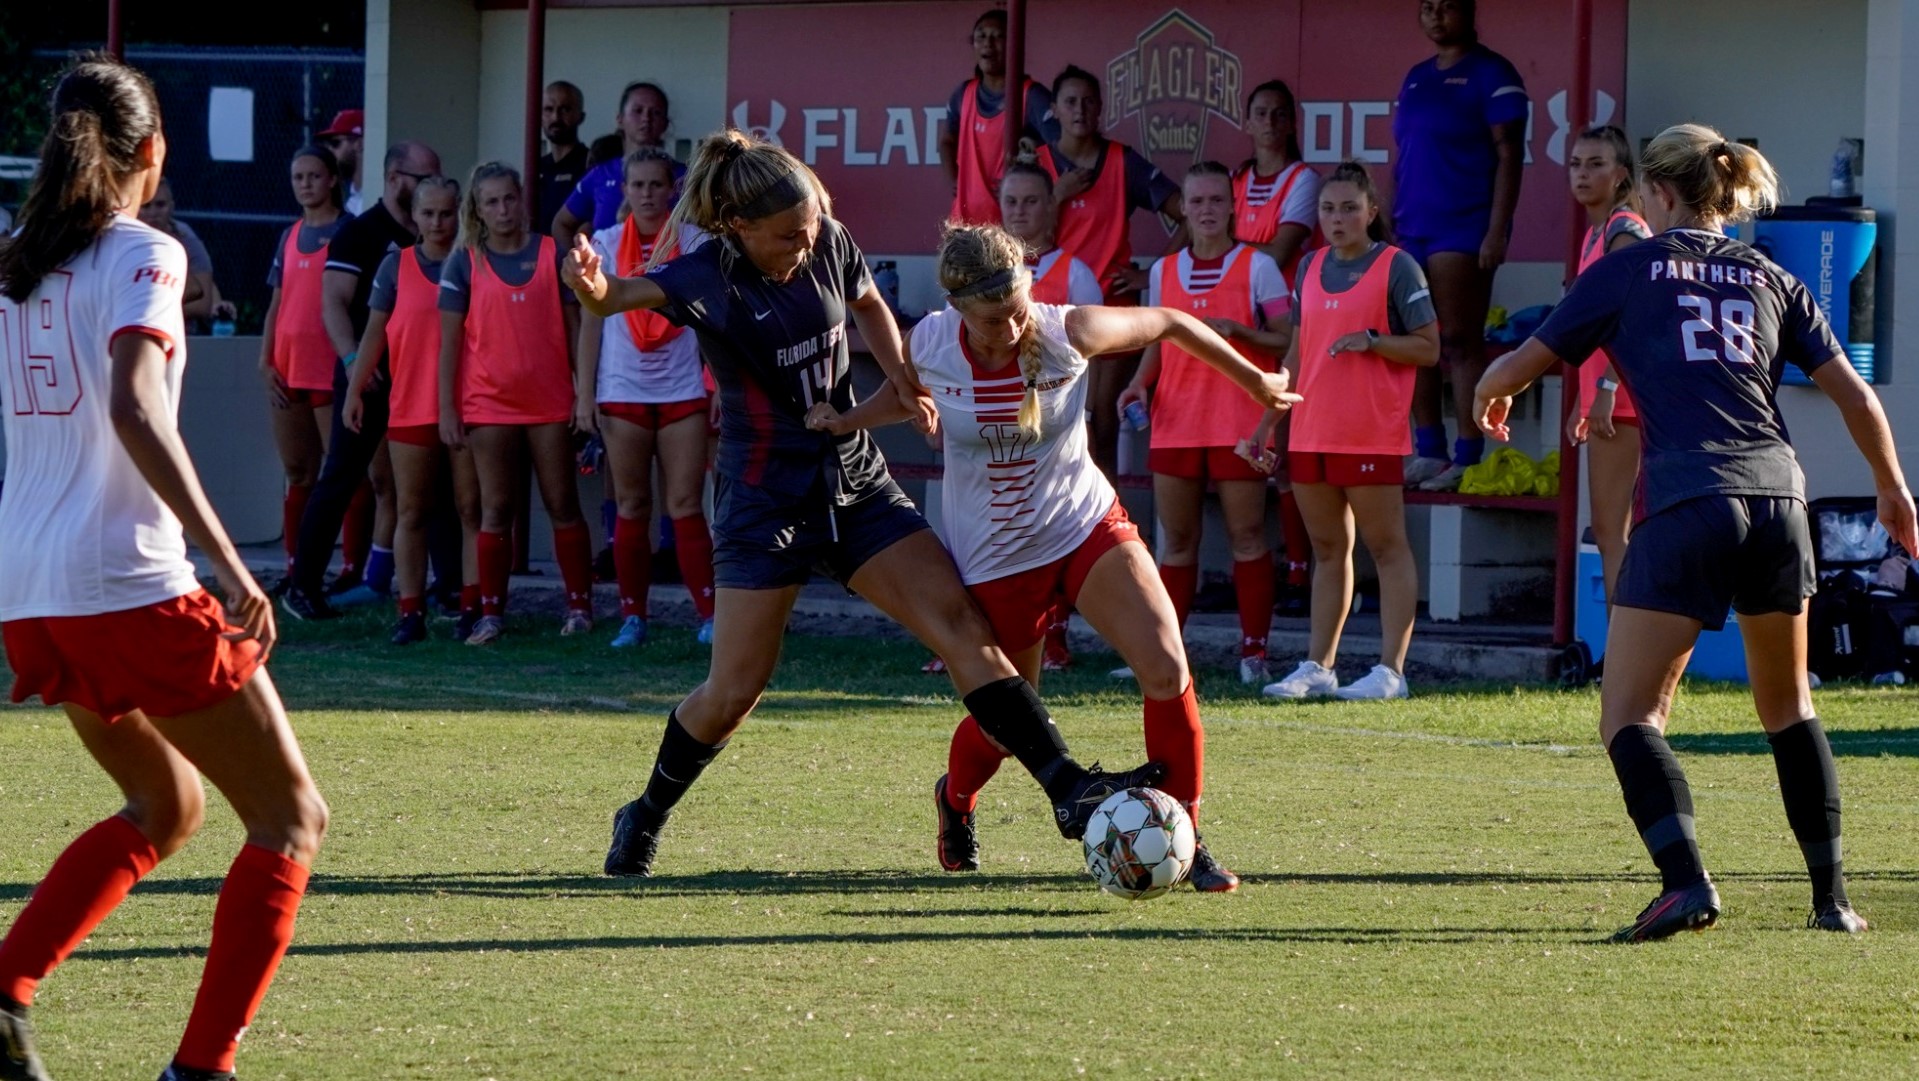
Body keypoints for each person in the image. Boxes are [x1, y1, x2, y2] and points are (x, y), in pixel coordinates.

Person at [562, 129, 1166, 877]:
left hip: (853, 481)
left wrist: (904, 380)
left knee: (961, 627)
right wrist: (592, 286)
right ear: (739, 229)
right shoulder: (706, 275)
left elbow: (870, 302)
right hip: (763, 505)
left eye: (812, 228)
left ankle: (1068, 789)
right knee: (733, 691)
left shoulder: (824, 240)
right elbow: (619, 295)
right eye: (788, 236)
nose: (805, 244)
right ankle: (645, 810)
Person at [1473, 123, 1917, 941]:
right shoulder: (1769, 274)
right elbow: (1855, 395)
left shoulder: (1627, 268)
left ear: (1660, 194)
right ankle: (1832, 900)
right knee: (1789, 706)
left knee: (1630, 716)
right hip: (1780, 499)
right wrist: (1892, 489)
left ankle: (1685, 883)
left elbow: (1518, 364)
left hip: (1688, 498)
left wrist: (1489, 394)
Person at [0, 55, 327, 1081]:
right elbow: (135, 405)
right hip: (129, 586)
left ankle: (1, 990)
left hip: (34, 594)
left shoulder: (17, 262)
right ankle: (200, 1071)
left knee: (169, 806)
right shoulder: (148, 250)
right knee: (288, 817)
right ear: (155, 153)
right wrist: (230, 563)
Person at [807, 221, 1294, 889]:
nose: (1007, 329)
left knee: (1165, 661)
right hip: (995, 555)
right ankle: (954, 797)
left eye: (1014, 311)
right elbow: (904, 394)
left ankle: (1185, 835)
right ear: (956, 308)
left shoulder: (1069, 329)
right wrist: (848, 420)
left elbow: (1173, 321)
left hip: (1083, 525)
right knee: (1010, 726)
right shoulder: (928, 343)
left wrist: (1254, 381)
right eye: (989, 320)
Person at [1245, 161, 1440, 701]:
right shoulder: (1308, 266)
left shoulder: (1399, 267)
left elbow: (1430, 347)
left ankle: (1390, 672)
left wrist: (1373, 340)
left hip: (1370, 433)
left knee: (1387, 548)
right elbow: (1296, 355)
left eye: (1350, 208)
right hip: (1310, 431)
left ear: (1371, 212)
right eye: (1328, 209)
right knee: (1328, 550)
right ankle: (1319, 665)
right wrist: (1267, 424)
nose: (1338, 218)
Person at [1119, 163, 1290, 686]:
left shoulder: (1258, 266)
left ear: (1233, 205)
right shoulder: (1163, 272)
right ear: (1185, 208)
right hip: (1176, 419)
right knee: (1176, 540)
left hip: (1238, 418)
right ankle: (1165, 656)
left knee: (1246, 535)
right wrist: (1139, 384)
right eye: (1197, 201)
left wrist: (1240, 332)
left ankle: (1253, 654)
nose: (1208, 210)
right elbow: (1157, 340)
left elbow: (1286, 339)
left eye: (1217, 200)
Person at [280, 140, 444, 622]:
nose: (431, 190)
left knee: (434, 485)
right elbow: (332, 301)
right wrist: (354, 362)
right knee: (341, 477)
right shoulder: (362, 233)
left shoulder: (437, 230)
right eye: (421, 180)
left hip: (422, 377)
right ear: (395, 180)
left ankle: (445, 587)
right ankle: (304, 585)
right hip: (370, 377)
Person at [438, 162, 592, 644]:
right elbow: (449, 345)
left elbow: (577, 330)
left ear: (522, 199)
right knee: (495, 509)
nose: (503, 209)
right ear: (477, 210)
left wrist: (582, 393)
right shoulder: (464, 261)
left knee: (562, 502)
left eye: (510, 198)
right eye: (492, 202)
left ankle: (579, 608)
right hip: (488, 405)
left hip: (549, 402)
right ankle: (490, 613)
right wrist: (448, 409)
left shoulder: (552, 252)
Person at [575, 149, 719, 650]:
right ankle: (633, 616)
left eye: (657, 185)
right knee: (633, 504)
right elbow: (591, 321)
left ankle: (709, 615)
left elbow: (714, 318)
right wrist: (584, 393)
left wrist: (715, 381)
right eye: (637, 185)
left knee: (684, 503)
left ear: (672, 189)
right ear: (626, 190)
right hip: (623, 390)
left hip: (682, 390)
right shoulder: (607, 243)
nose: (647, 194)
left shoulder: (695, 243)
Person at [1393, 0, 1526, 491]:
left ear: (1470, 12)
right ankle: (1429, 450)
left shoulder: (1492, 72)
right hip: (1412, 226)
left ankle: (1469, 455)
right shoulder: (1415, 77)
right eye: (1427, 7)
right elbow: (1405, 154)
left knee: (1458, 340)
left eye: (1447, 7)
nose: (1436, 15)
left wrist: (1496, 230)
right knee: (1416, 341)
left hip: (1463, 228)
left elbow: (1510, 155)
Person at [343, 175, 482, 645]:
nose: (439, 223)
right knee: (412, 511)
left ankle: (471, 605)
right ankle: (410, 611)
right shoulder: (395, 266)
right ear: (414, 217)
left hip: (468, 405)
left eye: (447, 213)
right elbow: (373, 334)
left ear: (460, 212)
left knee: (470, 508)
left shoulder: (473, 263)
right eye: (429, 213)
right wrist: (355, 389)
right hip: (409, 406)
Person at [1039, 65, 1183, 481]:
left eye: (1088, 101)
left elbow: (1187, 214)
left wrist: (1152, 275)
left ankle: (1104, 521)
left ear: (1101, 108)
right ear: (1054, 110)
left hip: (1113, 309)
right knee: (1053, 420)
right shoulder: (1039, 162)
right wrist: (1057, 196)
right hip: (1054, 312)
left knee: (1101, 420)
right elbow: (1021, 232)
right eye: (1070, 102)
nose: (1080, 110)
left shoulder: (1123, 161)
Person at [1234, 79, 1321, 611]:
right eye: (1259, 113)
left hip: (1286, 325)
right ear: (1246, 122)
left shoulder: (1303, 179)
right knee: (1252, 454)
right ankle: (1273, 563)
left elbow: (1281, 247)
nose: (1268, 122)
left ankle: (1299, 569)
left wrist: (1222, 252)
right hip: (1237, 326)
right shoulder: (1238, 178)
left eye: (1279, 114)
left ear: (1292, 123)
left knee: (1283, 454)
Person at [1565, 124, 1651, 604]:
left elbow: (1636, 317)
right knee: (1608, 528)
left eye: (1595, 164)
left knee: (1613, 529)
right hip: (1604, 396)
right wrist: (1584, 390)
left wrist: (1608, 387)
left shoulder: (1626, 230)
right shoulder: (1595, 233)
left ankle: (1625, 658)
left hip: (1624, 400)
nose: (1582, 174)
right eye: (1576, 164)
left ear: (1621, 176)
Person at [257, 146, 348, 587]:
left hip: (331, 370)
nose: (306, 184)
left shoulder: (349, 231)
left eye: (314, 176)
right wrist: (265, 359)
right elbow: (277, 300)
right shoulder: (290, 235)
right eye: (298, 177)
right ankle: (297, 568)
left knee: (343, 470)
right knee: (298, 473)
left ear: (332, 178)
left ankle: (351, 567)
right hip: (287, 369)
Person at [939, 9, 1060, 226]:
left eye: (997, 36)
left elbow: (1062, 148)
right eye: (981, 36)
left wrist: (1028, 168)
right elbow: (946, 141)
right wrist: (955, 180)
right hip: (965, 227)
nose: (988, 43)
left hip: (1013, 227)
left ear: (1014, 42)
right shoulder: (963, 93)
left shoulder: (1033, 95)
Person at [552, 81, 685, 245]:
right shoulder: (600, 174)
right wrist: (576, 262)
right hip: (607, 269)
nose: (646, 118)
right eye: (637, 111)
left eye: (656, 112)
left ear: (665, 123)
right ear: (620, 119)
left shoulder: (684, 177)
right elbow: (561, 224)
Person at [138, 177, 234, 333]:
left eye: (160, 205)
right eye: (146, 206)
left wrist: (148, 312)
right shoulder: (120, 239)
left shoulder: (186, 238)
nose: (153, 213)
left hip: (180, 335)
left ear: (171, 207)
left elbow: (202, 301)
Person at [535, 80, 590, 235]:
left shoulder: (590, 165)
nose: (556, 117)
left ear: (581, 116)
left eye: (565, 109)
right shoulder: (536, 167)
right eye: (548, 109)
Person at [317, 108, 366, 215]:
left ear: (360, 143)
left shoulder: (382, 195)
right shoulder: (351, 203)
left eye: (335, 143)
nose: (330, 151)